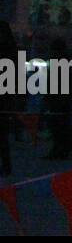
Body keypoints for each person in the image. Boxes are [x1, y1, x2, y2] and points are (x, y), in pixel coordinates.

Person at [0, 22, 18, 176]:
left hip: (4, 96)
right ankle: (6, 165)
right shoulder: (11, 53)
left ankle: (6, 165)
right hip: (6, 97)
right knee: (2, 134)